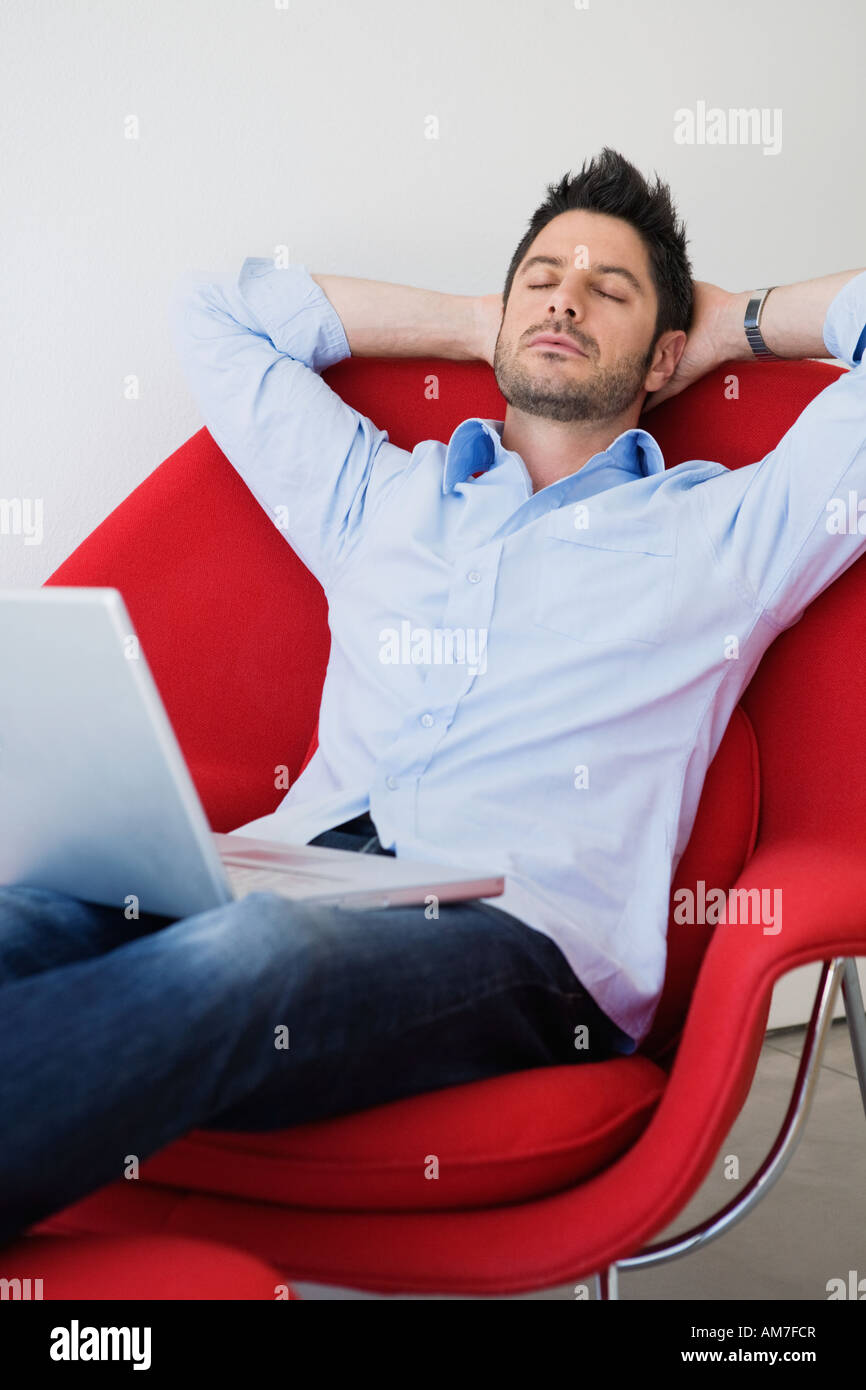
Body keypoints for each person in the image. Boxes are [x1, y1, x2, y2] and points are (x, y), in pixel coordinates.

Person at [2, 146, 865, 1247]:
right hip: (289, 867)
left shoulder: (724, 535)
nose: (563, 298)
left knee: (254, 953)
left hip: (520, 946)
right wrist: (480, 321)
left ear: (662, 353)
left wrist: (738, 320)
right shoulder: (380, 493)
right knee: (26, 910)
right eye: (541, 278)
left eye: (609, 291)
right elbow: (214, 310)